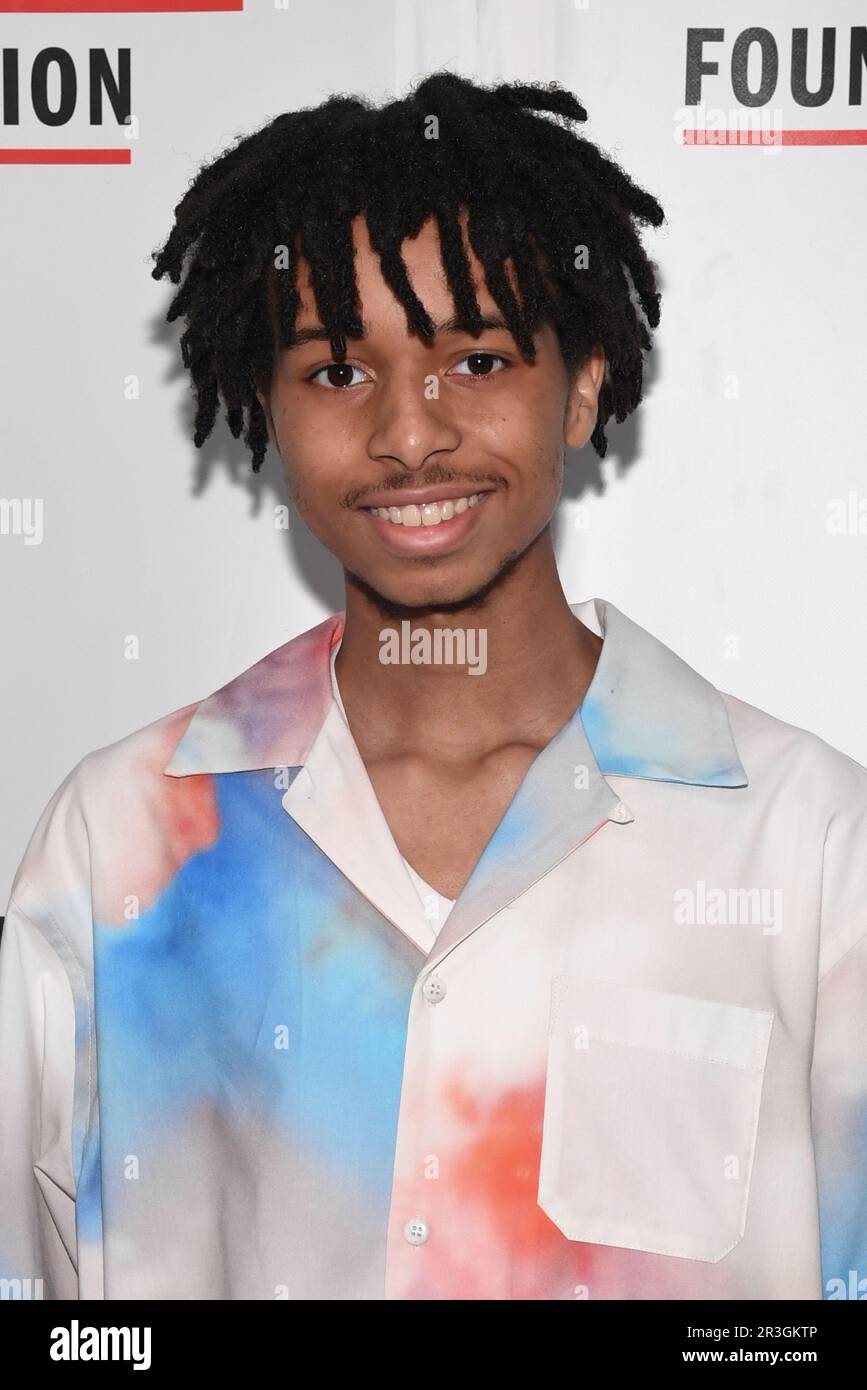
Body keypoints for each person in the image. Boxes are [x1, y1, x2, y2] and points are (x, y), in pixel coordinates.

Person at [1, 71, 864, 1302]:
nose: (412, 434)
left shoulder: (813, 847)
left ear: (581, 383)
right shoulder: (119, 841)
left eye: (479, 358)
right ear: (264, 404)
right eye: (338, 373)